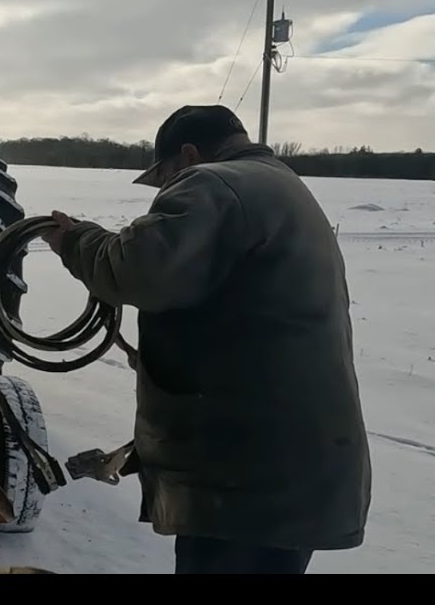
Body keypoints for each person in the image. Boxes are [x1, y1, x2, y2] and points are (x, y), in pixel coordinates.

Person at [40, 104, 371, 574]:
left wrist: (75, 241)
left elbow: (140, 270)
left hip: (245, 479)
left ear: (189, 154)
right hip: (294, 465)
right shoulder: (281, 186)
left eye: (164, 176)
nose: (165, 189)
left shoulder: (213, 184)